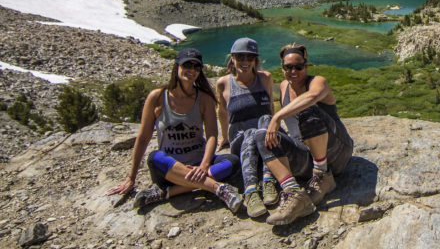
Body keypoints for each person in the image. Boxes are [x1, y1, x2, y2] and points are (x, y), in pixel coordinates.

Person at [107, 48, 243, 213]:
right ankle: (218, 188)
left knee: (233, 161)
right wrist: (131, 178)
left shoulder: (204, 98)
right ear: (177, 66)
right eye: (187, 65)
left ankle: (167, 193)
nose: (192, 70)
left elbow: (212, 135)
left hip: (199, 166)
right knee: (155, 158)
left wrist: (203, 165)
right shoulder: (157, 97)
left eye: (196, 67)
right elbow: (143, 138)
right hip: (170, 171)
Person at [256, 44, 354, 225]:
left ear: (306, 66)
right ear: (282, 68)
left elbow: (312, 96)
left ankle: (324, 176)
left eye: (298, 67)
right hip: (306, 156)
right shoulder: (284, 86)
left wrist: (277, 116)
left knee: (307, 112)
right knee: (262, 130)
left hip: (336, 152)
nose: (293, 71)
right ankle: (293, 193)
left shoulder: (318, 82)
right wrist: (271, 122)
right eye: (288, 67)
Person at [216, 37, 276, 218]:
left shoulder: (265, 78)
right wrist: (224, 137)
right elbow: (222, 112)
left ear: (255, 60)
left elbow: (271, 109)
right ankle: (250, 191)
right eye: (240, 57)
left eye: (249, 57)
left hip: (265, 138)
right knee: (251, 133)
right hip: (241, 141)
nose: (245, 61)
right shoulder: (224, 83)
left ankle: (268, 179)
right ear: (232, 58)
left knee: (266, 120)